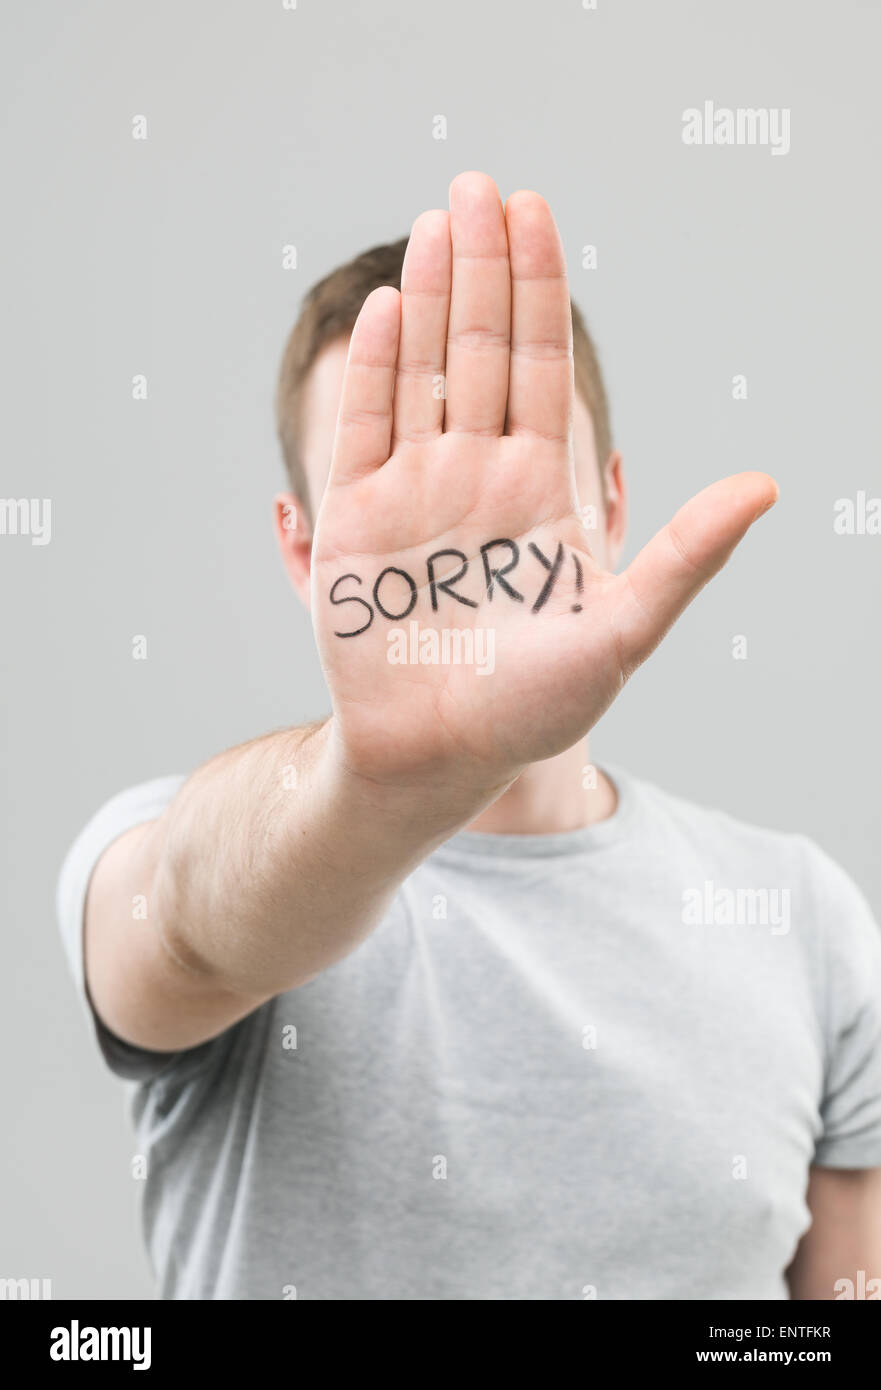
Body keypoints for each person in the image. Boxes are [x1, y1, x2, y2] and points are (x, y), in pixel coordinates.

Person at [58, 172, 881, 1301]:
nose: (459, 536)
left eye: (504, 452)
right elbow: (190, 930)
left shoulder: (805, 918)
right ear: (304, 554)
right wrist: (385, 782)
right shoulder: (172, 855)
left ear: (611, 498)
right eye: (383, 473)